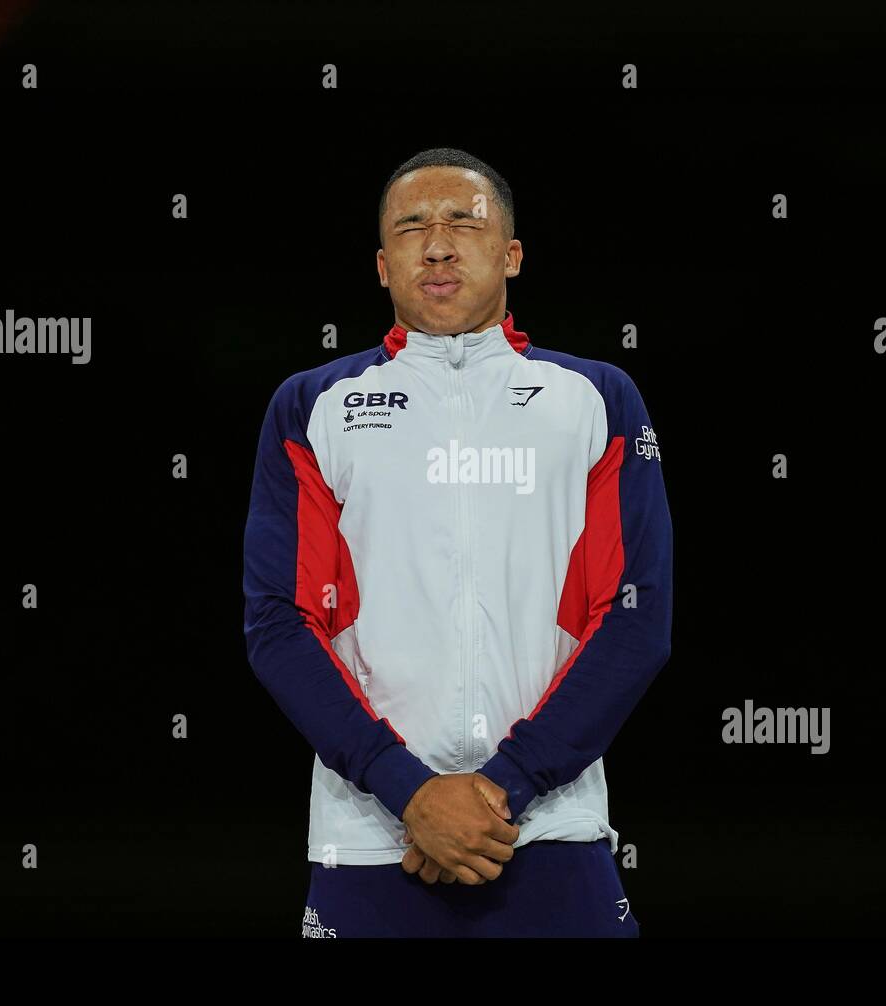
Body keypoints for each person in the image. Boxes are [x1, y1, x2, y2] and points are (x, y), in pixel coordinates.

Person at [243, 147, 673, 937]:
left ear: (511, 253)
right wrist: (407, 791)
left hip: (550, 830)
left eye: (462, 222)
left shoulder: (597, 398)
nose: (437, 244)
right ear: (382, 264)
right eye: (412, 227)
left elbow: (636, 618)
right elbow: (276, 621)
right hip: (370, 840)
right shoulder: (310, 406)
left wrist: (500, 790)